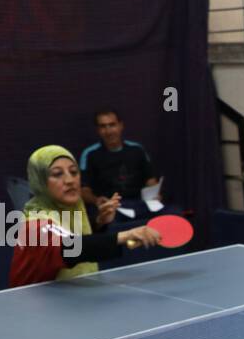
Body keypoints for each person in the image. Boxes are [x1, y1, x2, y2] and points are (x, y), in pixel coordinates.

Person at [10, 145, 159, 287]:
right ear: (40, 181)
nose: (70, 180)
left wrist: (98, 223)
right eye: (57, 174)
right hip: (33, 306)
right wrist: (127, 235)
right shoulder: (34, 224)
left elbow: (73, 237)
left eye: (74, 172)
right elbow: (70, 248)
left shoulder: (71, 210)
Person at [79, 108, 159, 207]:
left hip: (140, 203)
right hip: (110, 207)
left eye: (112, 125)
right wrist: (96, 200)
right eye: (103, 126)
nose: (108, 131)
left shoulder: (137, 149)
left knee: (174, 212)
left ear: (121, 125)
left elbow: (150, 180)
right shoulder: (89, 154)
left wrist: (155, 194)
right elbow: (84, 190)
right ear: (98, 130)